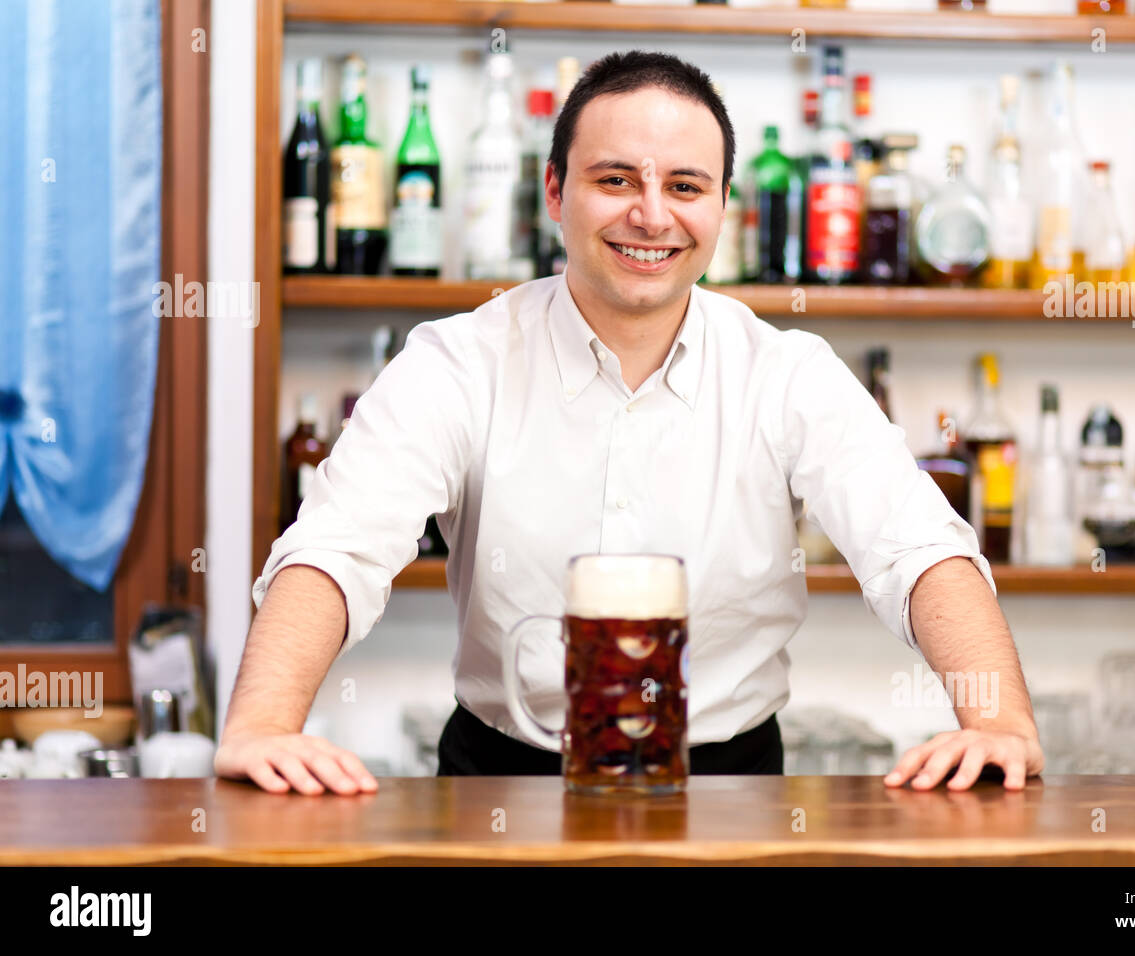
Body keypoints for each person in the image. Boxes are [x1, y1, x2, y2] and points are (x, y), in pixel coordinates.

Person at [215, 50, 1043, 796]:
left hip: (731, 793)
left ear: (724, 205)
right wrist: (262, 723)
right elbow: (337, 546)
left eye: (684, 187)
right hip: (497, 786)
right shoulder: (456, 362)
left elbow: (921, 550)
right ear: (554, 191)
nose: (651, 216)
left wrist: (998, 720)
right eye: (615, 180)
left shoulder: (788, 373)